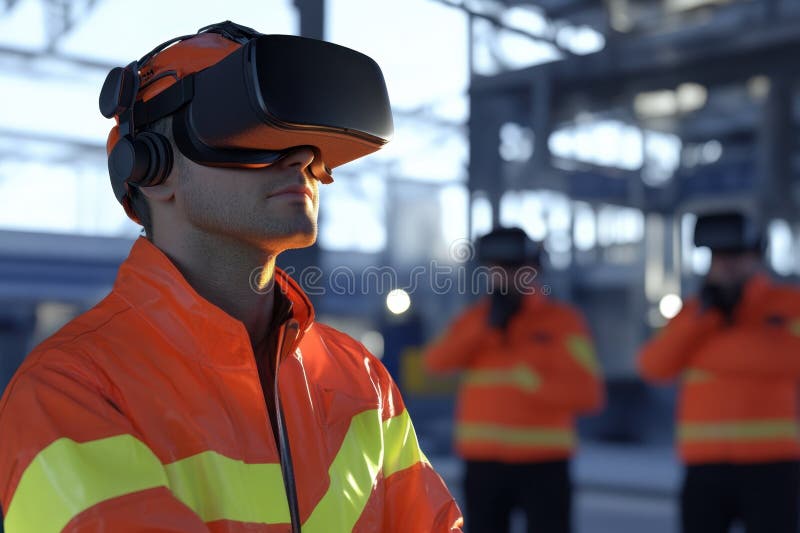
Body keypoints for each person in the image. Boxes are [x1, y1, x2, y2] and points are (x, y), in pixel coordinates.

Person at [0, 21, 462, 532]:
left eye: (310, 141)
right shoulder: (70, 390)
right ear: (154, 171)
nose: (304, 157)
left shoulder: (362, 381)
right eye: (252, 131)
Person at [424, 227, 604, 533]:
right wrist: (486, 328)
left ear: (533, 270)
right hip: (483, 464)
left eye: (512, 268)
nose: (503, 277)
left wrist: (535, 385)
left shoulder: (562, 323)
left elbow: (589, 394)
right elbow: (435, 362)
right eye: (495, 269)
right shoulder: (476, 320)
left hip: (544, 463)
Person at [638, 211, 800, 533]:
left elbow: (787, 359)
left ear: (756, 256)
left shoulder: (788, 305)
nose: (726, 264)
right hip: (704, 465)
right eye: (717, 256)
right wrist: (705, 319)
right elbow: (653, 366)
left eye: (736, 255)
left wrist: (712, 348)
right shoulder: (693, 312)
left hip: (771, 463)